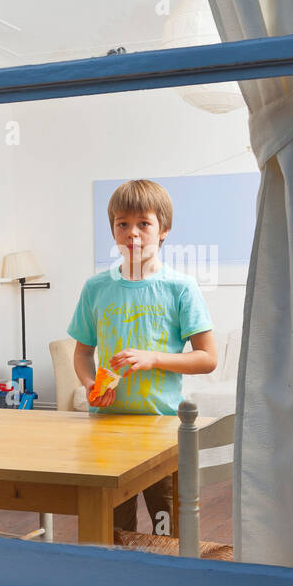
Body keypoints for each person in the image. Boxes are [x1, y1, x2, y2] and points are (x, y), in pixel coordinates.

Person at [67, 179, 218, 535]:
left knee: (167, 528)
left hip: (162, 430)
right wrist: (89, 384)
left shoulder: (181, 288)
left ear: (163, 230)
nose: (132, 234)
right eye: (123, 223)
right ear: (113, 230)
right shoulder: (95, 288)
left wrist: (154, 358)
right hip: (106, 429)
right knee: (113, 528)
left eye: (144, 224)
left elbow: (207, 358)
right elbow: (83, 353)